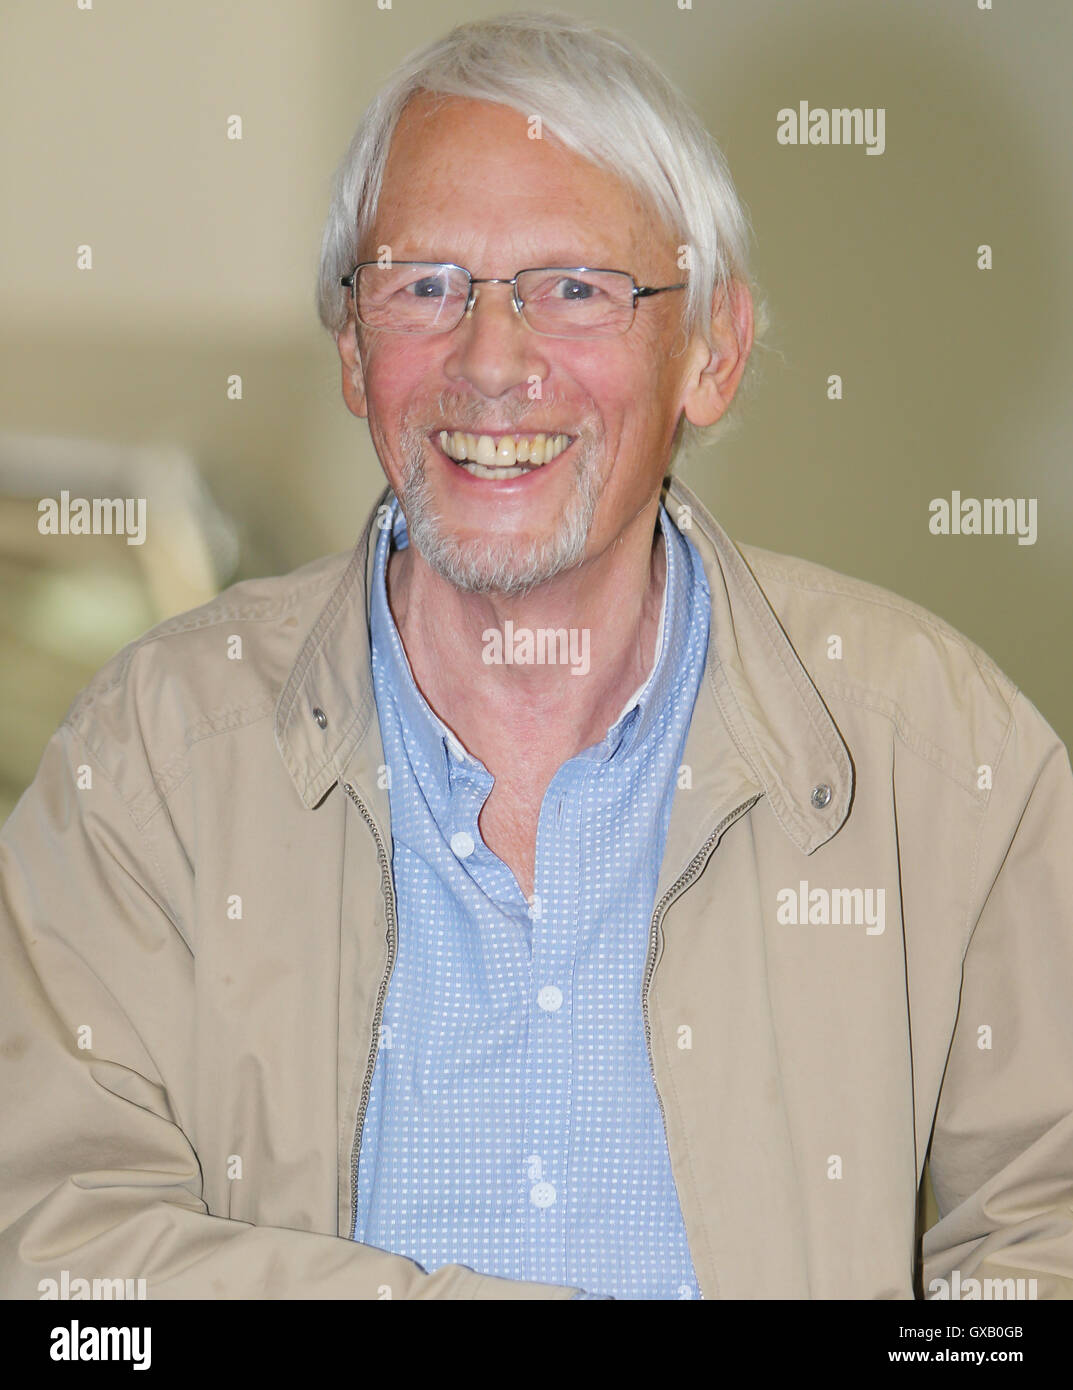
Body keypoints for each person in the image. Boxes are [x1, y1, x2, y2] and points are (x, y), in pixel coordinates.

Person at [1, 11, 1071, 1301]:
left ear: (712, 352)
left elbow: (1044, 1230)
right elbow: (57, 1274)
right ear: (351, 344)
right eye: (424, 287)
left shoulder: (948, 759)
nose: (491, 364)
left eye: (575, 288)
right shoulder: (152, 758)